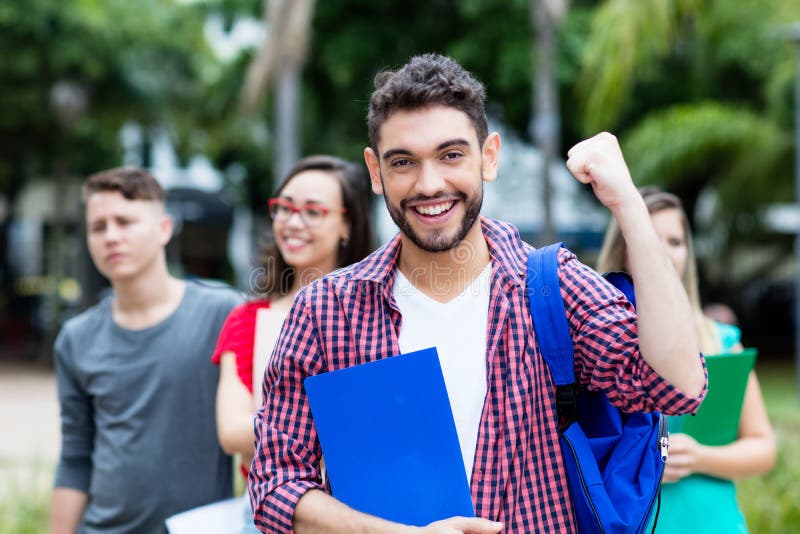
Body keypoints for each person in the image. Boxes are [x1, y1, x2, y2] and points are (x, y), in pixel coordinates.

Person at [248, 53, 707, 533]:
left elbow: (678, 386)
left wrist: (628, 203)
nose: (429, 185)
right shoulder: (328, 310)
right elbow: (275, 486)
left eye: (451, 156)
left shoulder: (552, 287)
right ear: (375, 171)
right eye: (403, 162)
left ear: (488, 156)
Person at [50, 168, 240, 533]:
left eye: (125, 222)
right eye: (98, 227)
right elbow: (75, 457)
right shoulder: (76, 338)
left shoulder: (223, 313)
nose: (111, 237)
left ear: (164, 229)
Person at [597, 186, 776, 532]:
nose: (664, 252)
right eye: (650, 238)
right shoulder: (596, 347)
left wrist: (699, 457)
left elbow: (762, 447)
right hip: (635, 522)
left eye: (675, 241)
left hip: (714, 522)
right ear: (621, 248)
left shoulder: (722, 342)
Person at [211, 155, 374, 532]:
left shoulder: (382, 311)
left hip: (366, 512)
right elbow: (232, 431)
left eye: (313, 211)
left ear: (347, 224)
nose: (293, 222)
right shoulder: (247, 320)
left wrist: (283, 424)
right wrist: (334, 423)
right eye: (284, 208)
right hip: (272, 516)